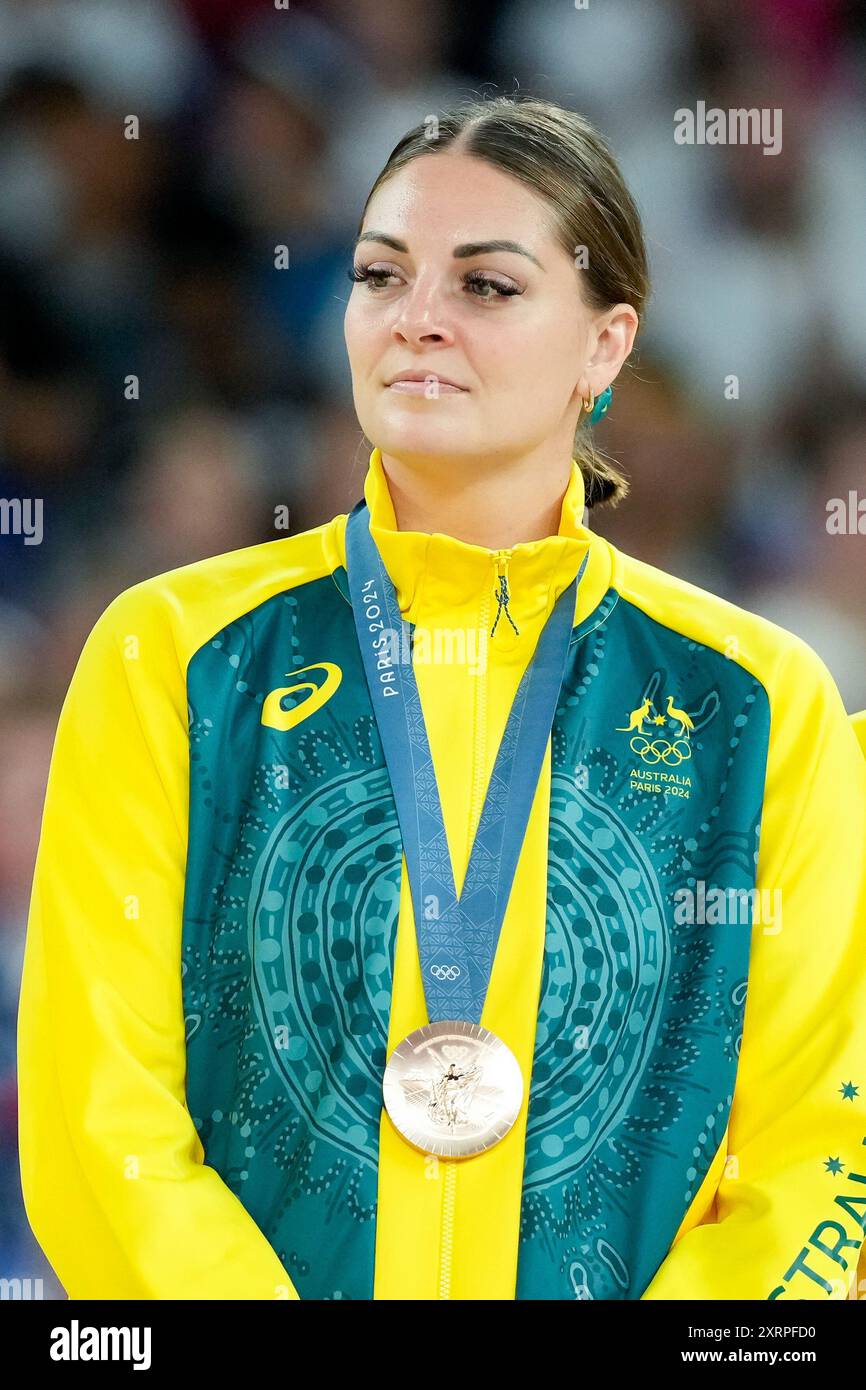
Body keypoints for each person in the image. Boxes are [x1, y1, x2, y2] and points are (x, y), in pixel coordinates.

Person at [17, 95, 866, 1301]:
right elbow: (98, 1112)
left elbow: (825, 1145)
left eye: (486, 286)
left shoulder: (756, 700)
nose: (415, 320)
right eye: (379, 274)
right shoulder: (173, 655)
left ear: (605, 345)